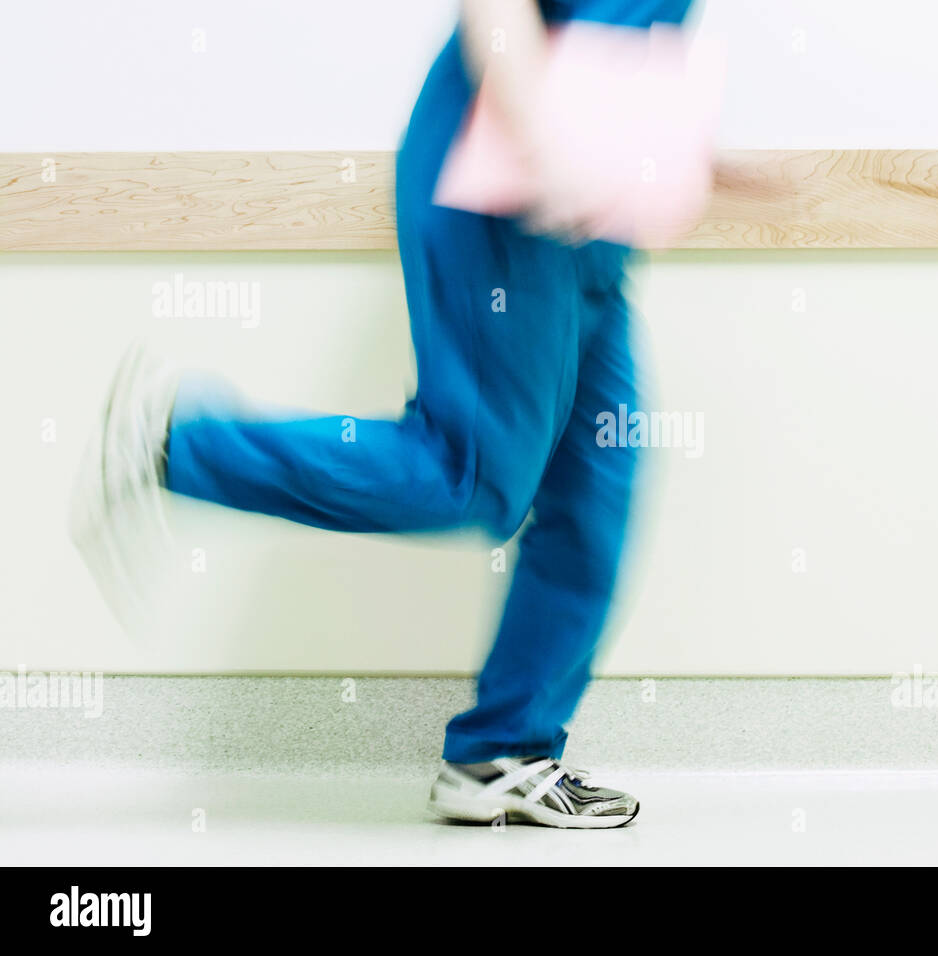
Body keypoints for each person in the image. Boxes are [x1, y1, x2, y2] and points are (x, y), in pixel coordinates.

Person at [69, 0, 699, 829]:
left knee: (596, 488)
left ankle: (499, 756)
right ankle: (176, 443)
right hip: (506, 178)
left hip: (591, 205)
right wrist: (544, 144)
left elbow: (614, 40)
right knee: (468, 478)